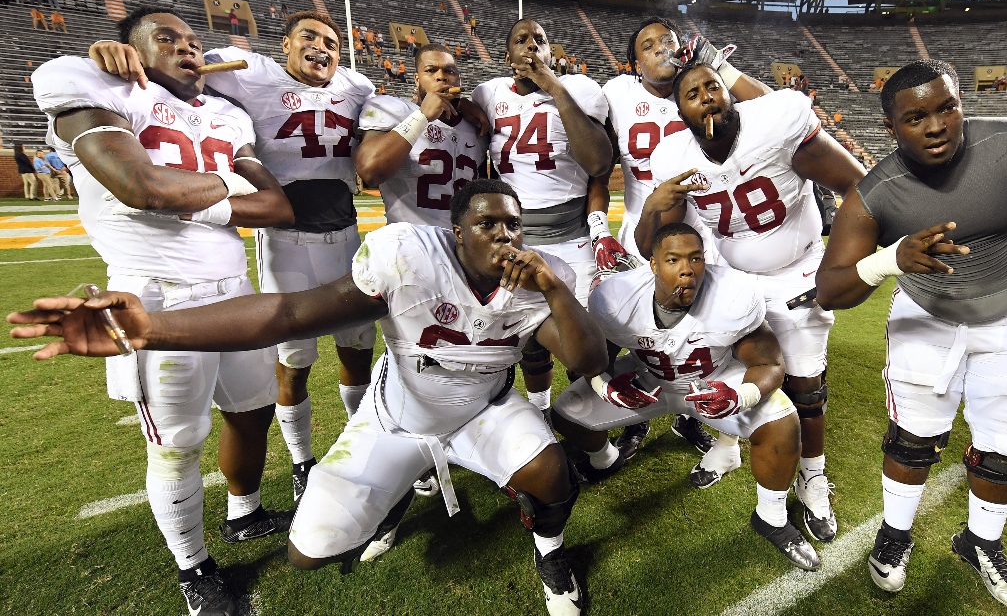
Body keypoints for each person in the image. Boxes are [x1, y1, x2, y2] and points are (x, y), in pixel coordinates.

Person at [10, 180, 610, 616]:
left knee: (552, 474)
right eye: (487, 223)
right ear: (456, 232)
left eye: (512, 224)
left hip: (484, 408)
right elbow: (287, 312)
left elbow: (589, 362)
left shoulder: (542, 278)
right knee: (308, 553)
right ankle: (399, 485)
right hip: (398, 415)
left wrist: (557, 292)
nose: (504, 236)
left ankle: (550, 555)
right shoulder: (408, 256)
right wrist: (153, 330)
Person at [814, 59, 1007, 614]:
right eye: (915, 117)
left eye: (947, 107)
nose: (936, 126)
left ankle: (981, 541)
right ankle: (895, 533)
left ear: (961, 105)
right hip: (926, 318)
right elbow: (830, 289)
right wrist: (890, 259)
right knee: (913, 442)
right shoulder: (876, 192)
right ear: (891, 128)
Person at [32, 8, 297, 615]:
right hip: (156, 295)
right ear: (128, 52)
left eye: (192, 40)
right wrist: (230, 187)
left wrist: (195, 192)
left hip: (236, 289)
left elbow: (278, 207)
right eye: (166, 38)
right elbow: (143, 188)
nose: (186, 48)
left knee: (252, 412)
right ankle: (193, 569)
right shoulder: (95, 86)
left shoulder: (227, 115)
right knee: (177, 445)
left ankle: (245, 511)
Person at [87, 10, 380, 502]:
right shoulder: (243, 70)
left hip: (345, 230)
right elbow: (172, 66)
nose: (322, 47)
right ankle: (302, 459)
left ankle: (368, 445)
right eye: (308, 36)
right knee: (293, 361)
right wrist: (114, 52)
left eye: (331, 41)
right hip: (286, 238)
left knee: (357, 351)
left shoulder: (358, 86)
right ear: (283, 43)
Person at [635, 62, 867, 542]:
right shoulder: (676, 157)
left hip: (797, 268)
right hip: (731, 275)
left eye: (712, 86)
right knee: (722, 370)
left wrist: (840, 264)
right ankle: (726, 447)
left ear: (728, 93)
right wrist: (654, 205)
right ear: (679, 112)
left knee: (805, 382)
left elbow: (858, 186)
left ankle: (812, 474)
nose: (706, 96)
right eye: (692, 93)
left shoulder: (773, 123)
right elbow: (654, 243)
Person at [552, 222, 822, 571]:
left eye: (696, 258)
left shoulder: (734, 293)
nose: (686, 269)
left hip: (715, 381)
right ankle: (605, 459)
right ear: (652, 264)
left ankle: (771, 517)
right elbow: (590, 361)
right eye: (673, 259)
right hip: (648, 382)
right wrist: (605, 385)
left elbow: (769, 361)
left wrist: (742, 394)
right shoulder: (616, 298)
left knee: (782, 422)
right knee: (566, 412)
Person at [601, 18, 773, 464]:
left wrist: (714, 64)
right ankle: (634, 416)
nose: (663, 48)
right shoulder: (616, 93)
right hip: (644, 225)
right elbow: (595, 162)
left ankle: (699, 412)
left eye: (670, 41)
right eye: (649, 44)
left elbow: (776, 112)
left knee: (707, 329)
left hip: (707, 230)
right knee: (634, 328)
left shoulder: (701, 88)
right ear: (633, 62)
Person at [471, 19, 613, 424]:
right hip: (515, 238)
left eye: (541, 40)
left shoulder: (581, 90)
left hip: (571, 235)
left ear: (553, 53)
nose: (532, 47)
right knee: (528, 336)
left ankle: (585, 423)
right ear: (507, 57)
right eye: (521, 40)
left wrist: (555, 88)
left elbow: (599, 162)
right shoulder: (488, 94)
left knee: (581, 337)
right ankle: (541, 415)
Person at [356, 44, 485, 229]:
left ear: (459, 80)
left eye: (450, 71)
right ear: (417, 79)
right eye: (431, 70)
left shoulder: (474, 126)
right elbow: (370, 171)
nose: (441, 76)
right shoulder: (395, 110)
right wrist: (422, 117)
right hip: (410, 242)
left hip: (462, 245)